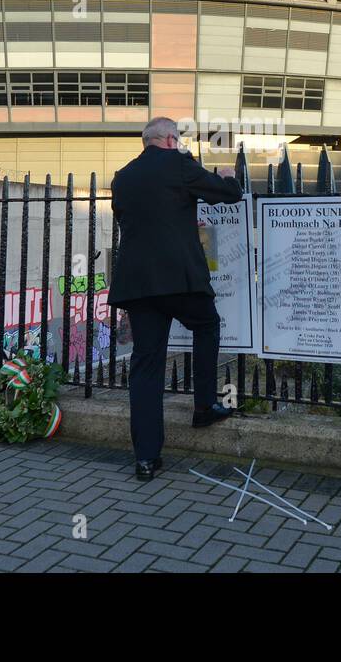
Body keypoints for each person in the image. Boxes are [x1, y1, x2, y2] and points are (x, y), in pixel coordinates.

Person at [110, 117, 245, 479]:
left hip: (139, 285)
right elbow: (227, 194)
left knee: (146, 364)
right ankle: (203, 406)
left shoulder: (122, 177)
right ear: (171, 140)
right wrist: (229, 176)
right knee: (207, 325)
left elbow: (133, 220)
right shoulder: (179, 164)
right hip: (180, 280)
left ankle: (145, 458)